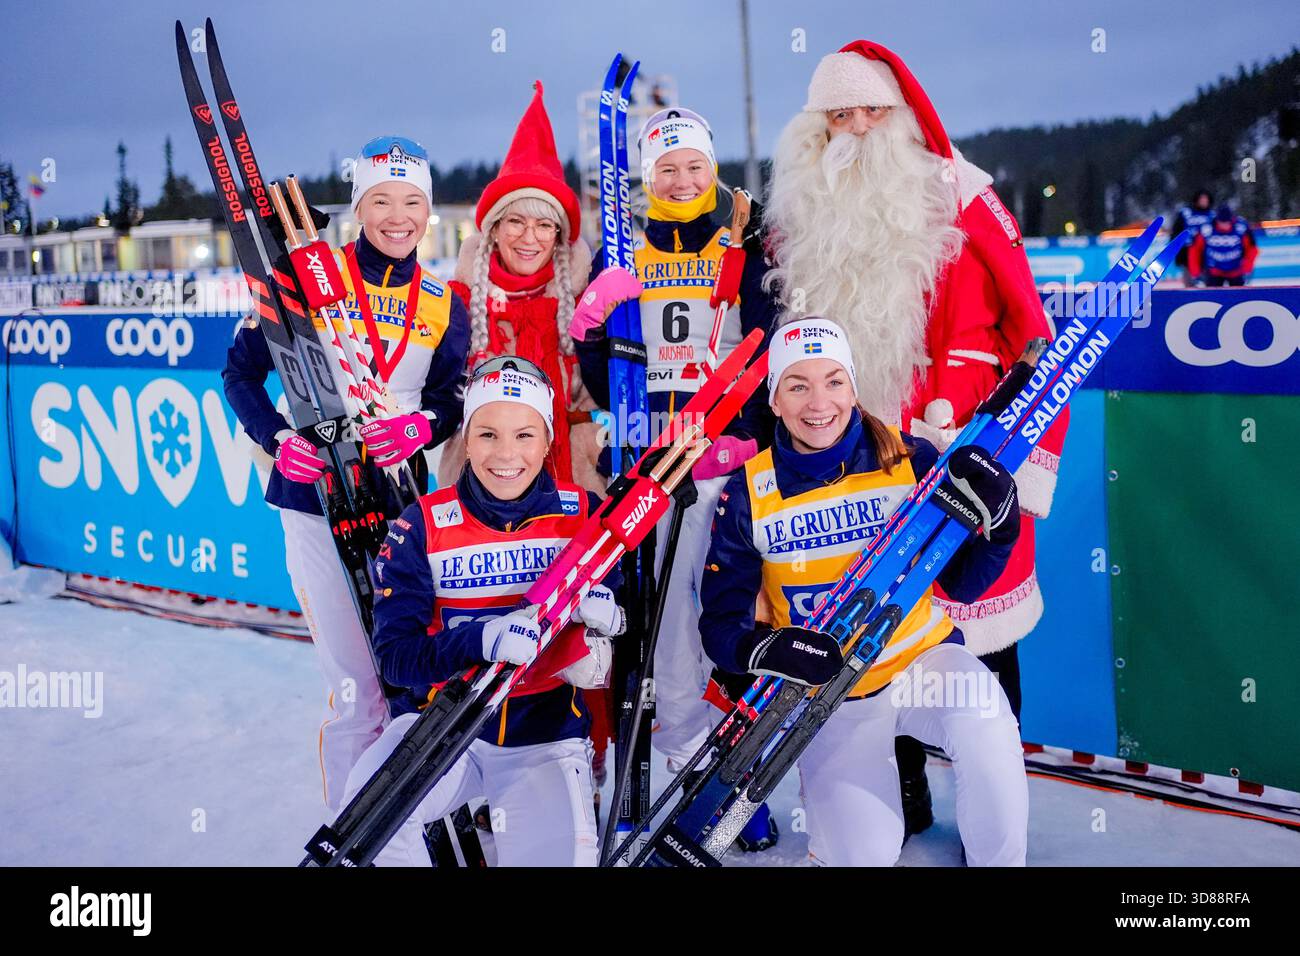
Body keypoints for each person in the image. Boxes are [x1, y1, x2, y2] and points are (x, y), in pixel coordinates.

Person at [762, 40, 1065, 839]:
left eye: (873, 110)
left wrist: (1018, 461)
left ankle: (992, 805)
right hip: (858, 459)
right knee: (872, 624)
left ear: (901, 116)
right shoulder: (801, 217)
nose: (859, 128)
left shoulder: (963, 196)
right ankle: (902, 793)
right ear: (816, 129)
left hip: (963, 439)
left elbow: (1036, 333)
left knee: (978, 630)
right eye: (840, 115)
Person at [699, 317, 1028, 866]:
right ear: (774, 399)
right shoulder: (749, 492)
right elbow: (720, 625)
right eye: (797, 386)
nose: (818, 402)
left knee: (988, 729)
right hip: (831, 696)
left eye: (834, 381)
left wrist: (1002, 528)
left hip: (922, 661)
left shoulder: (910, 459)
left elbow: (963, 583)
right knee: (863, 852)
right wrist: (767, 649)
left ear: (853, 387)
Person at [223, 135, 470, 812]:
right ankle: (350, 837)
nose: (398, 217)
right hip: (315, 496)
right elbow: (240, 374)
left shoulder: (444, 301)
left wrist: (421, 426)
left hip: (400, 500)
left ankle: (410, 825)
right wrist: (277, 438)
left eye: (412, 202)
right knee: (358, 691)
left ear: (428, 211)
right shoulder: (307, 275)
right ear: (358, 207)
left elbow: (451, 398)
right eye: (380, 200)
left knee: (409, 679)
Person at [570, 106, 782, 850]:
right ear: (647, 177)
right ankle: (681, 764)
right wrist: (590, 325)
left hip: (725, 460)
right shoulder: (624, 253)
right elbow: (608, 380)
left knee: (731, 615)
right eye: (667, 168)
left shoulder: (741, 245)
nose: (683, 180)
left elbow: (769, 349)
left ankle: (738, 776)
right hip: (651, 459)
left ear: (712, 169)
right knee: (660, 625)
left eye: (695, 165)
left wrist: (746, 437)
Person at [341, 358, 624, 866]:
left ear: (547, 440)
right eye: (488, 434)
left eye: (525, 435)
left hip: (544, 738)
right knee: (364, 820)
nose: (506, 454)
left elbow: (618, 620)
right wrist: (480, 639)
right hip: (446, 728)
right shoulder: (422, 524)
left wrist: (606, 624)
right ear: (466, 441)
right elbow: (396, 659)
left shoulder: (584, 514)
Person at [438, 81, 601, 492]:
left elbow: (604, 391)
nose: (530, 238)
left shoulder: (583, 298)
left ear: (559, 235)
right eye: (516, 222)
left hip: (570, 482)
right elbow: (436, 394)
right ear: (494, 228)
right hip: (482, 484)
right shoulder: (459, 302)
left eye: (544, 225)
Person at [1187, 204, 1258, 287]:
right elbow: (1194, 250)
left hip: (1236, 271)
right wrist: (1195, 273)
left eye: (1227, 222)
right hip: (1213, 271)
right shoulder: (1206, 229)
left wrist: (1247, 269)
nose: (1225, 226)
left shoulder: (1241, 228)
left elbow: (1252, 249)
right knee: (1213, 294)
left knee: (1238, 294)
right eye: (1221, 222)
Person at [1171, 189, 1215, 286]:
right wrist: (1175, 248)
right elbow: (1176, 230)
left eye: (1206, 199)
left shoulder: (1212, 215)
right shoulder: (1186, 213)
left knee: (1207, 282)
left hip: (1205, 254)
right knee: (1189, 283)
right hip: (1186, 253)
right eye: (1202, 199)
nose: (1204, 201)